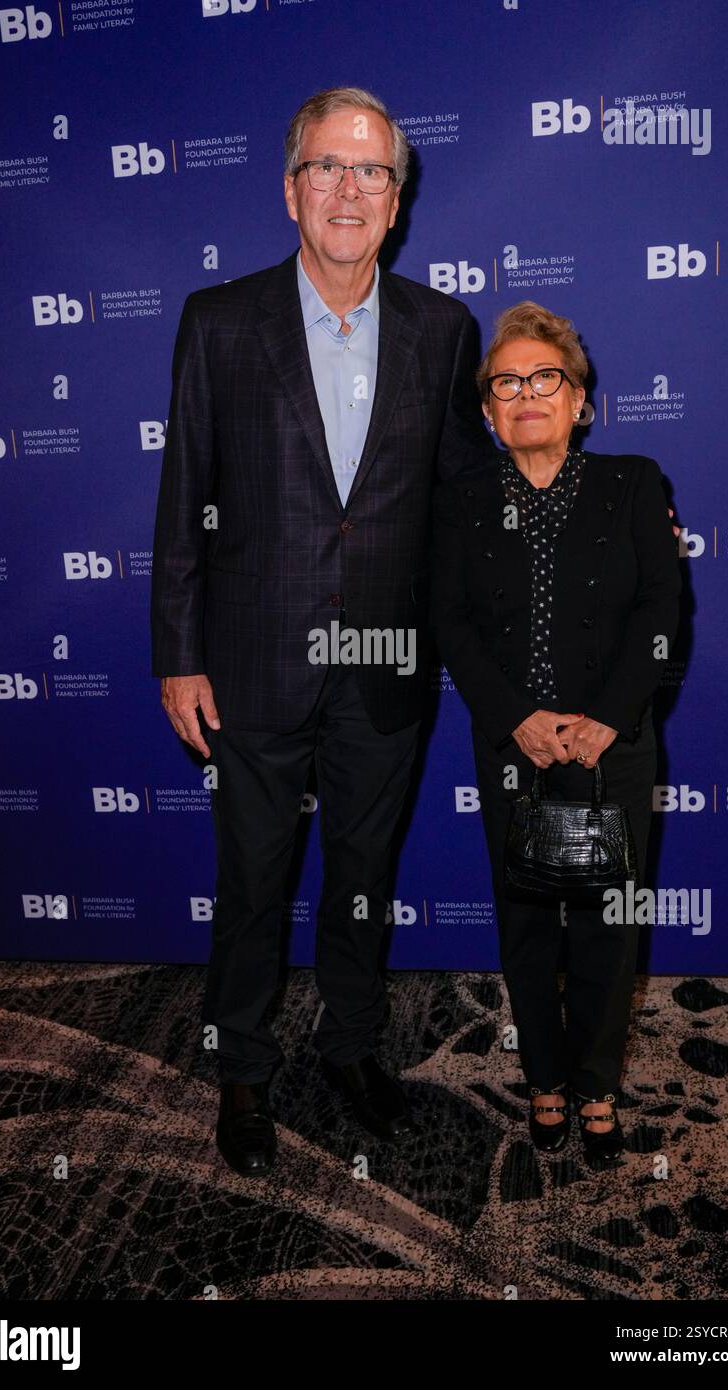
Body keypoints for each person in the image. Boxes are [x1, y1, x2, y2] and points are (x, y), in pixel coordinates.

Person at [150, 87, 495, 1175]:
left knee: (362, 874)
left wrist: (582, 521)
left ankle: (350, 1049)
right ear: (289, 187)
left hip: (385, 667)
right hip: (252, 663)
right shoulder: (219, 320)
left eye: (371, 173)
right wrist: (178, 655)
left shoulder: (443, 332)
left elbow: (462, 499)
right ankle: (242, 1074)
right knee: (252, 882)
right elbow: (182, 497)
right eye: (327, 168)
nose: (349, 191)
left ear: (397, 201)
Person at [430, 301, 682, 1162]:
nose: (527, 394)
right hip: (515, 753)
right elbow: (451, 624)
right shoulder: (462, 503)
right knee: (528, 923)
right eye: (508, 383)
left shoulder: (634, 482)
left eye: (547, 378)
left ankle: (598, 1086)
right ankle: (543, 1080)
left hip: (613, 747)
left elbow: (660, 608)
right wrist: (517, 720)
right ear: (492, 410)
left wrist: (607, 718)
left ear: (580, 400)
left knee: (611, 929)